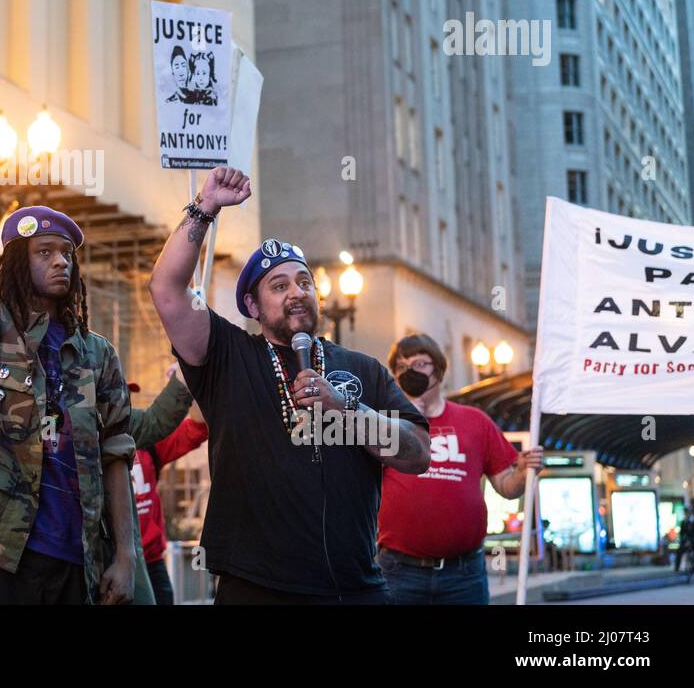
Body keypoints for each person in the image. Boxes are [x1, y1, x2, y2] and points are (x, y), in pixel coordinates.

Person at [147, 166, 430, 604]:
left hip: (354, 588)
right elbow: (166, 288)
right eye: (278, 286)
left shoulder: (363, 368)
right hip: (256, 588)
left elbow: (416, 454)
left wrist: (347, 410)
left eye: (304, 282)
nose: (296, 292)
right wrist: (205, 208)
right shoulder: (228, 355)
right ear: (252, 306)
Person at [0, 92, 136, 605]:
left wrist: (125, 557)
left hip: (75, 559)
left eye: (67, 254)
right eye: (46, 252)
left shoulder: (98, 354)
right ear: (18, 261)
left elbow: (117, 458)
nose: (62, 262)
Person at [375, 334, 543, 604]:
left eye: (419, 364)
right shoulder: (386, 424)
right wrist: (405, 420)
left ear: (439, 370)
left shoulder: (474, 421)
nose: (410, 373)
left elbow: (506, 486)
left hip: (463, 574)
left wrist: (524, 473)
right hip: (399, 571)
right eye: (402, 367)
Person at [130, 364, 207, 605]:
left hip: (152, 564)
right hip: (110, 563)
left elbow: (197, 427)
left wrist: (190, 384)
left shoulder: (148, 444)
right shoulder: (89, 446)